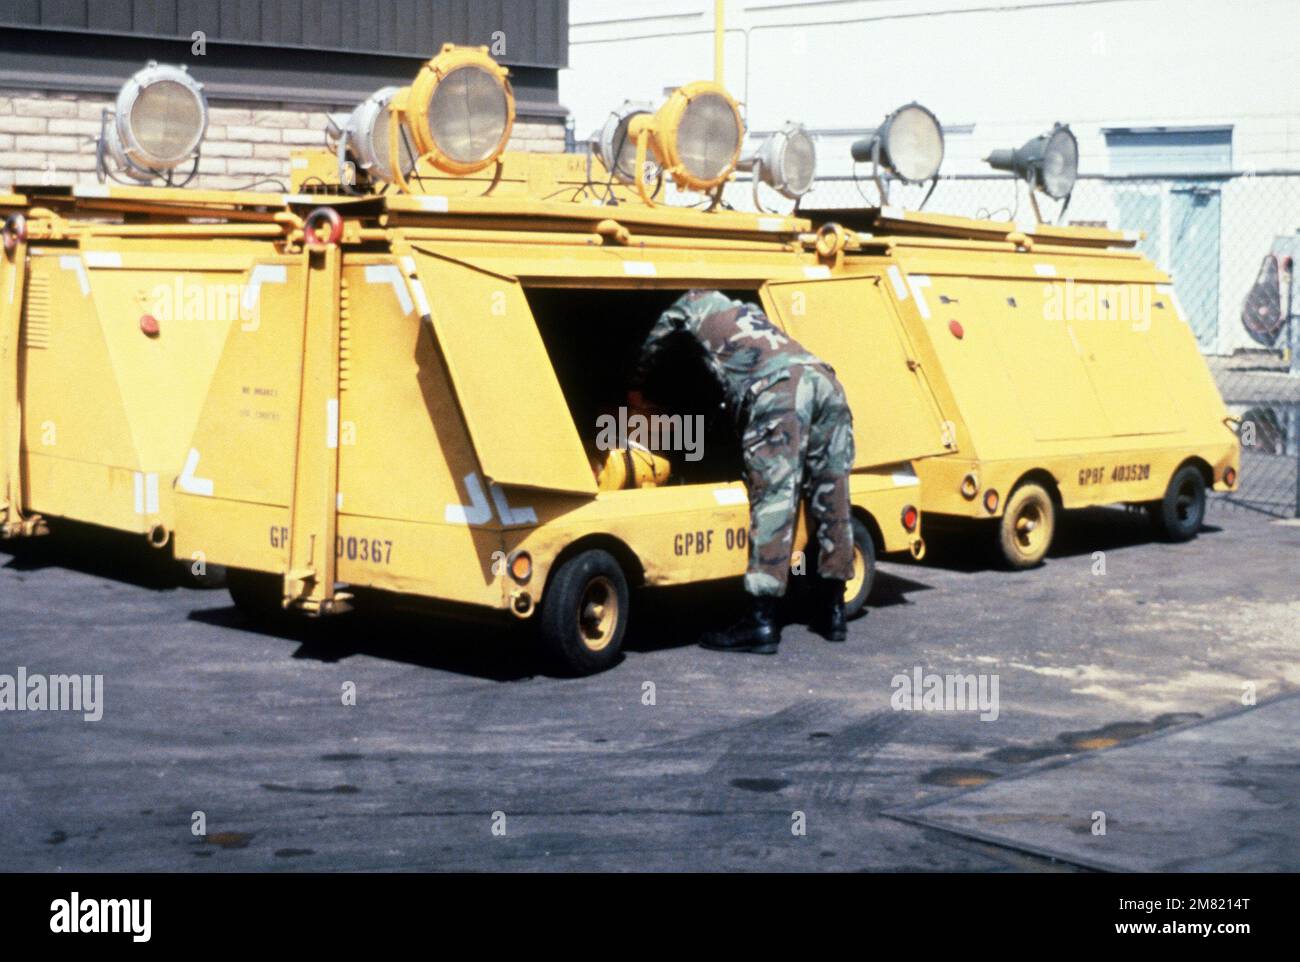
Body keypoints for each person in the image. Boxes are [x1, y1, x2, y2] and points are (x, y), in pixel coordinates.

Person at [628, 289, 856, 654]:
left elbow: (657, 342)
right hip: (824, 379)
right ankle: (833, 610)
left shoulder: (687, 304)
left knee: (774, 498)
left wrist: (638, 384)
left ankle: (761, 622)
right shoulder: (746, 310)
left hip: (779, 388)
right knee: (832, 494)